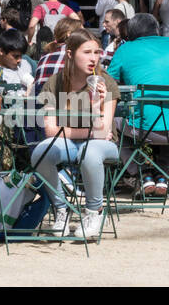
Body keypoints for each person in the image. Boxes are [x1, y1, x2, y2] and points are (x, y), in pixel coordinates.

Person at [34, 30, 120, 241]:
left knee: (89, 151)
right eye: (87, 52)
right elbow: (51, 131)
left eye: (97, 52)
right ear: (70, 54)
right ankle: (61, 209)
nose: (93, 58)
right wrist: (90, 133)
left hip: (104, 147)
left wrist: (96, 106)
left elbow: (103, 131)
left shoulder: (105, 83)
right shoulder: (55, 83)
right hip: (70, 142)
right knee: (41, 151)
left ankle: (94, 212)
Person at [109, 13, 169, 198]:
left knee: (111, 122)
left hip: (145, 128)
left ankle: (141, 173)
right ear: (157, 30)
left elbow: (108, 85)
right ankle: (163, 176)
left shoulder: (125, 49)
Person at [0, 28, 36, 94]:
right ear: (1, 51)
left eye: (21, 55)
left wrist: (30, 101)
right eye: (15, 56)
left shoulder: (27, 62)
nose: (19, 60)